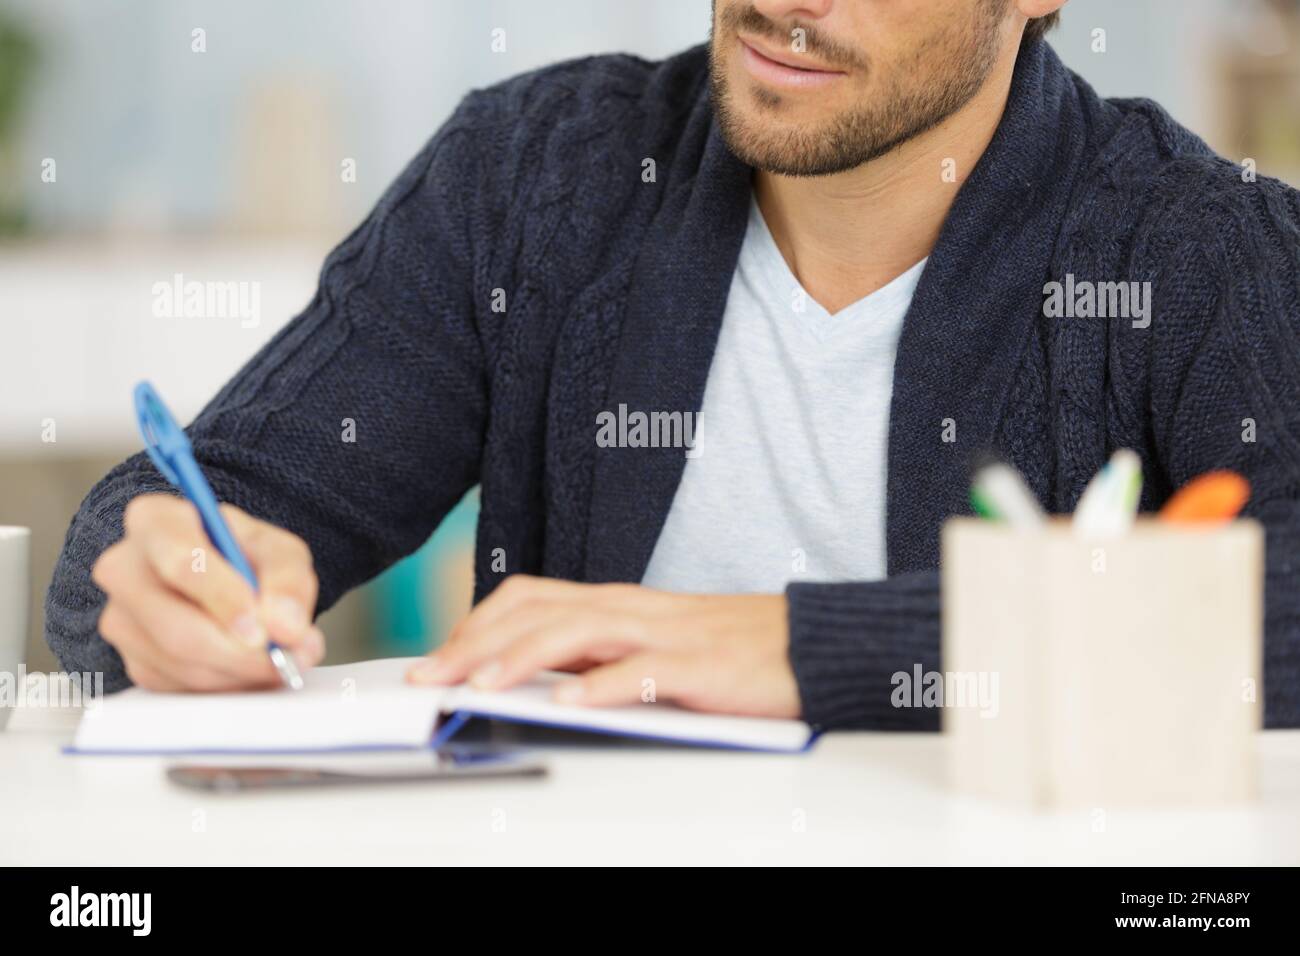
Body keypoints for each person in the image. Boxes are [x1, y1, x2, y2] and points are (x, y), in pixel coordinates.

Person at [46, 0, 1300, 730]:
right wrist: (170, 582)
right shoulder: (532, 173)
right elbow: (189, 506)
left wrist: (802, 646)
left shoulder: (1199, 242)